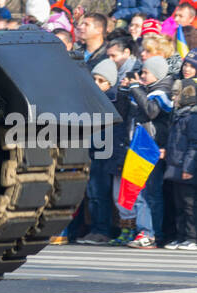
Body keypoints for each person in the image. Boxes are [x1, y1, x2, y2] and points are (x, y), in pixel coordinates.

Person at [120, 54, 174, 248]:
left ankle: (150, 233)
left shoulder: (162, 93)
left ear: (157, 74)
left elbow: (151, 111)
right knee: (139, 193)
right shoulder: (146, 90)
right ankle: (145, 232)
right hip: (140, 147)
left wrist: (135, 88)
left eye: (145, 73)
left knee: (149, 194)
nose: (141, 76)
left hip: (151, 149)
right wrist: (128, 90)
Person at [78, 57, 122, 245]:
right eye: (94, 79)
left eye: (101, 81)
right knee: (92, 194)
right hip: (93, 150)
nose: (96, 83)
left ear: (110, 83)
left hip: (107, 153)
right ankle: (95, 229)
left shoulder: (115, 100)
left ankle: (102, 230)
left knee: (101, 194)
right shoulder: (91, 98)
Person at [162, 79, 197, 251]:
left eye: (176, 95)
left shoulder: (192, 117)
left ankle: (192, 237)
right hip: (175, 165)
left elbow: (194, 145)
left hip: (185, 168)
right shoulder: (179, 115)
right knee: (179, 204)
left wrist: (188, 169)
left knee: (189, 205)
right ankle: (180, 236)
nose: (174, 98)